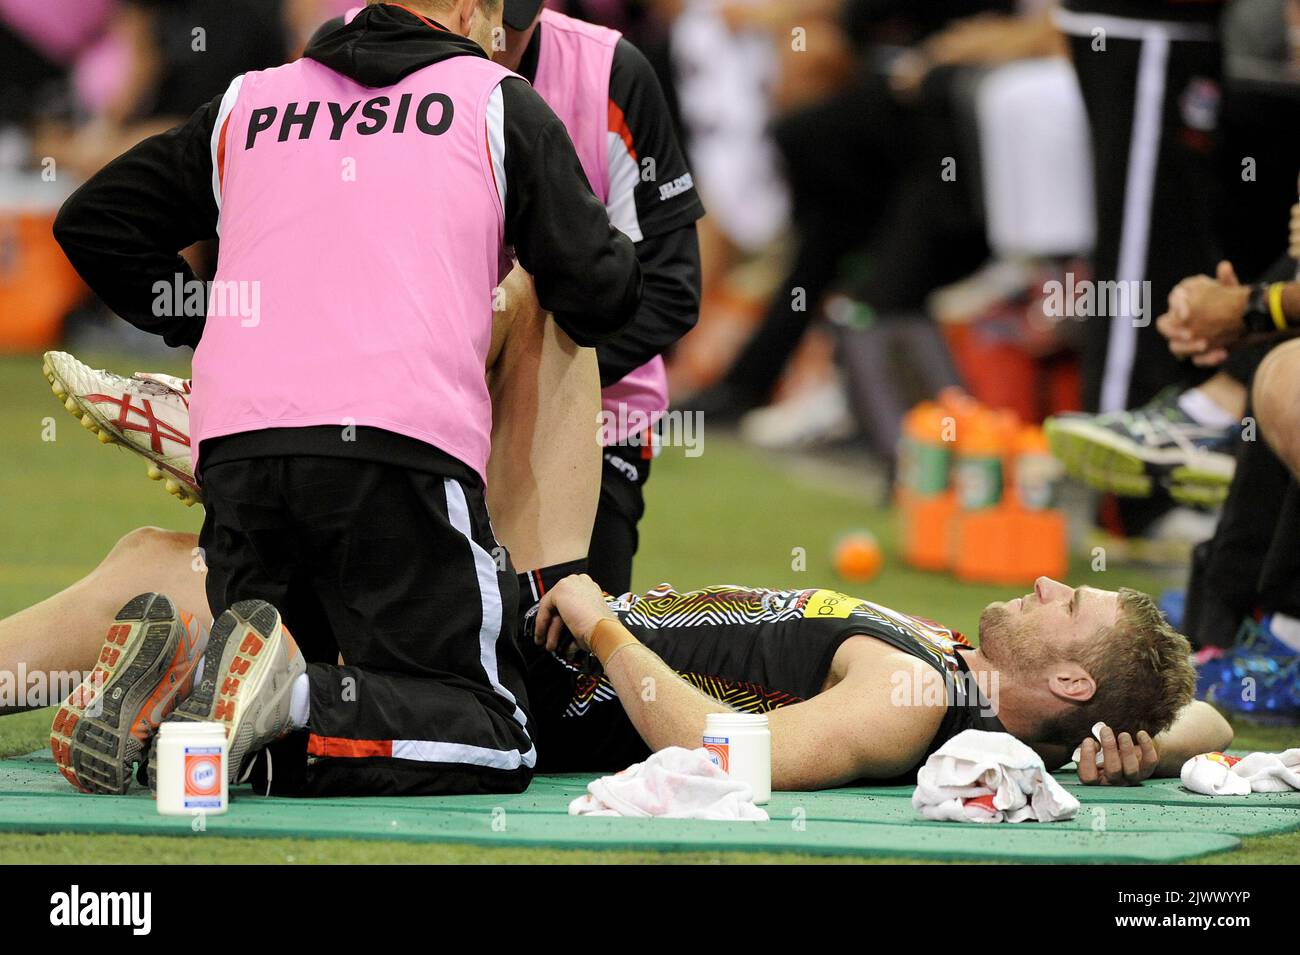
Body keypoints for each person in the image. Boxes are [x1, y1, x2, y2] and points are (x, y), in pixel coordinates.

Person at [50, 0, 642, 798]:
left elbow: (95, 221)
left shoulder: (251, 99)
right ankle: (285, 692)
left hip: (241, 455)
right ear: (469, 12)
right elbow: (602, 291)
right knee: (494, 730)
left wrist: (210, 320)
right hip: (400, 451)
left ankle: (175, 698)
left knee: (262, 713)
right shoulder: (493, 99)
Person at [49, 0, 704, 598]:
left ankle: (210, 430)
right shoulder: (370, 61)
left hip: (548, 408)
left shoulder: (600, 73)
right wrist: (223, 329)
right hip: (400, 408)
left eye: (516, 25)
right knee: (478, 671)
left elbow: (668, 291)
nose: (498, 42)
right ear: (467, 13)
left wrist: (494, 381)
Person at [5, 521, 1227, 790]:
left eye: (1075, 601)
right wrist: (1143, 742)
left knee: (179, 570)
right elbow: (1208, 719)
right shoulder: (967, 674)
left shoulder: (915, 694)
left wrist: (595, 617)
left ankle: (188, 707)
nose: (1050, 577)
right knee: (163, 554)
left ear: (1067, 675)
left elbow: (727, 756)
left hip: (521, 668)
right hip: (524, 630)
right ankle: (171, 710)